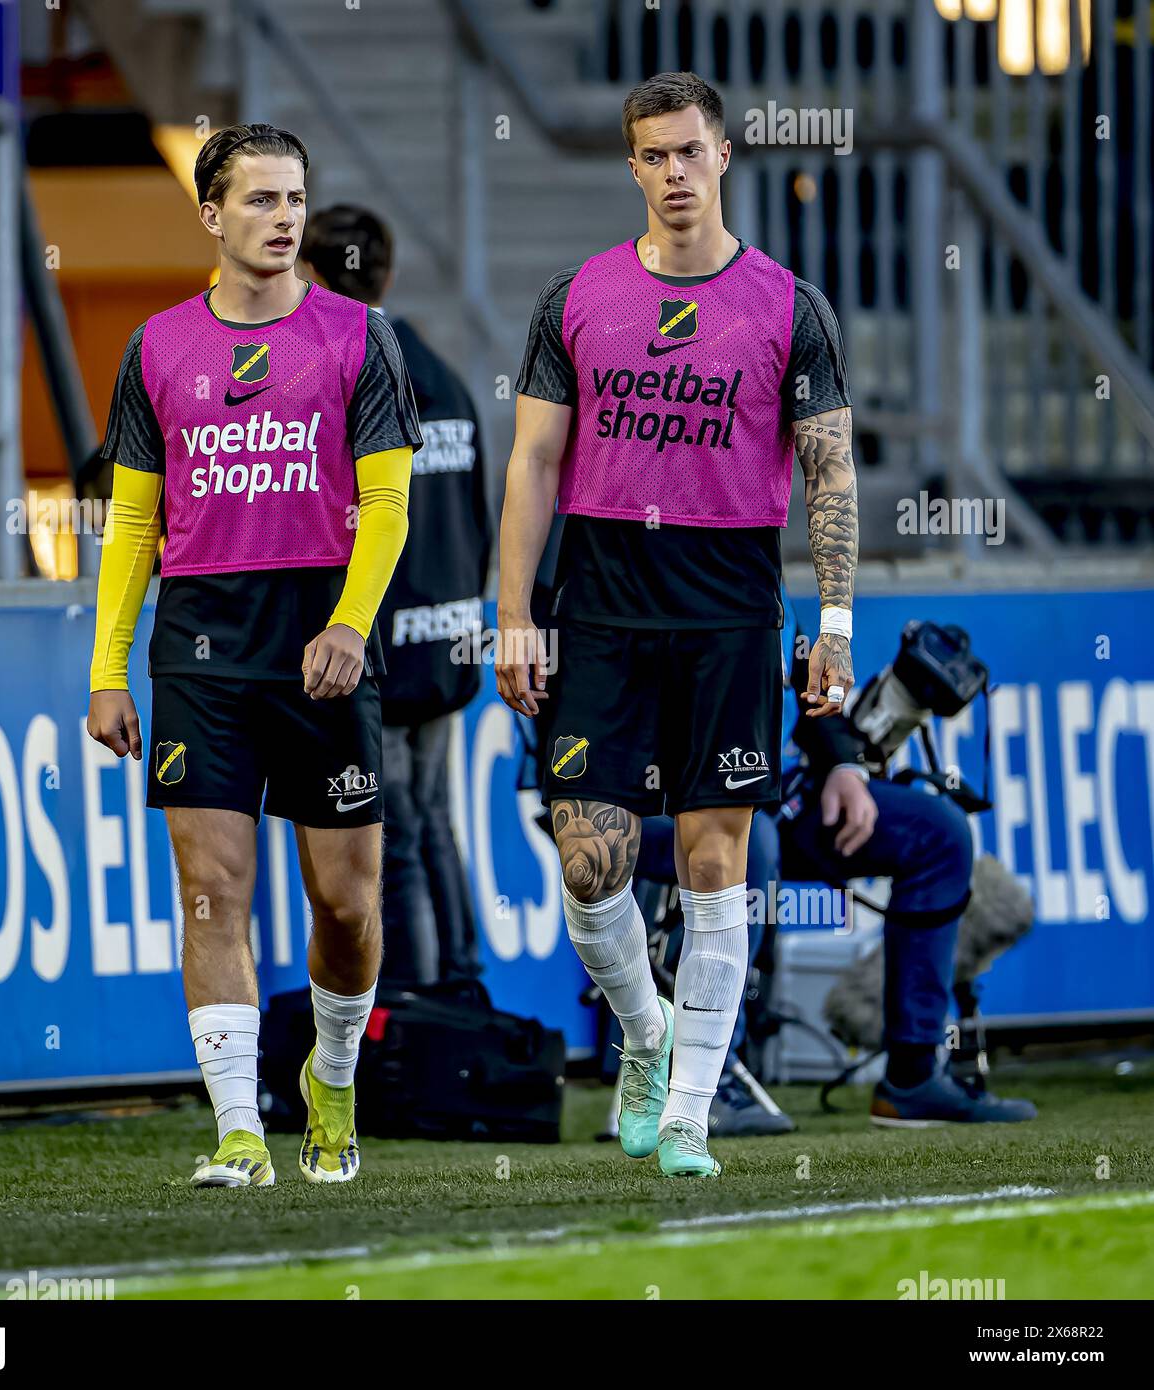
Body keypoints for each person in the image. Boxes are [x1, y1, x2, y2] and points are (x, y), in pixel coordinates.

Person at [496, 71, 858, 1180]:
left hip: (729, 608)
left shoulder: (790, 306)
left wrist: (835, 622)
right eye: (651, 157)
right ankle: (646, 1035)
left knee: (716, 860)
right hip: (600, 603)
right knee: (591, 862)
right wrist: (511, 612)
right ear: (632, 166)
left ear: (723, 156)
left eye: (688, 153)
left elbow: (827, 467)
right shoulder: (575, 298)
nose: (672, 175)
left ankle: (690, 1112)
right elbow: (535, 462)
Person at [85, 124, 422, 1188]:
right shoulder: (155, 347)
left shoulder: (360, 337)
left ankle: (330, 1077)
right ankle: (239, 1129)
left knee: (347, 905)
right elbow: (134, 525)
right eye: (263, 200)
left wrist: (351, 624)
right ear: (211, 216)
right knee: (211, 887)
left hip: (324, 640)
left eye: (295, 200)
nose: (284, 219)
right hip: (200, 643)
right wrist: (108, 669)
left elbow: (387, 504)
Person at [711, 585, 1037, 1132]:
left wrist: (846, 766)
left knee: (939, 832)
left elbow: (816, 700)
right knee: (752, 841)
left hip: (780, 795)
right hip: (687, 800)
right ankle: (711, 1078)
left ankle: (912, 1077)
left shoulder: (761, 578)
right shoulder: (653, 568)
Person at [298, 205, 490, 983]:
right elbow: (476, 511)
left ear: (311, 275)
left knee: (397, 830)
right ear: (388, 272)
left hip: (378, 643)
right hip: (448, 633)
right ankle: (462, 984)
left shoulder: (342, 374)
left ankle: (409, 1002)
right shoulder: (442, 373)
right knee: (434, 821)